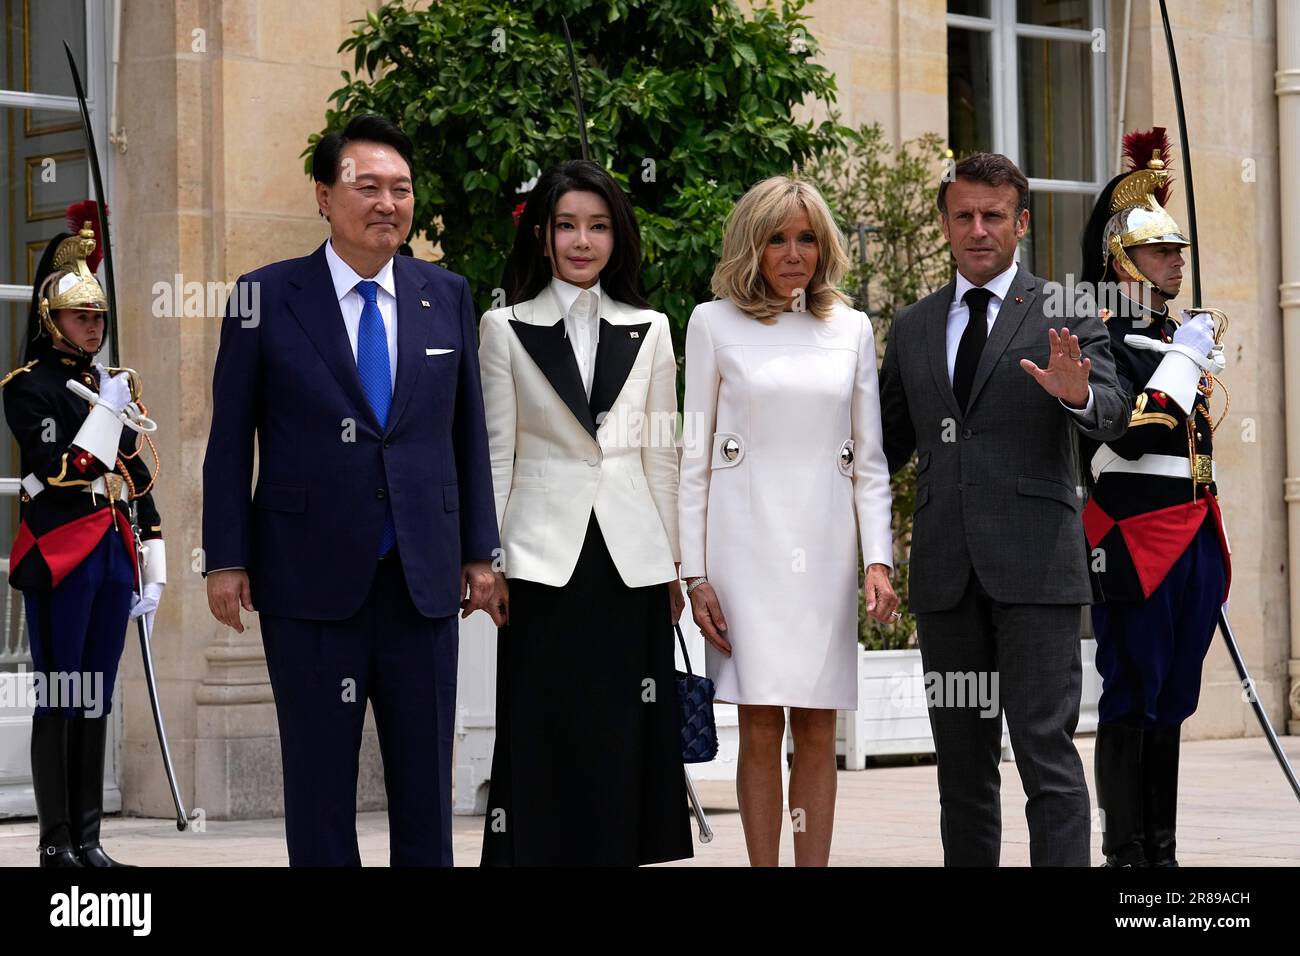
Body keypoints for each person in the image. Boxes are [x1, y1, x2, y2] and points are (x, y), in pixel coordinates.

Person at [201, 114, 501, 866]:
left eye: (400, 189)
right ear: (324, 197)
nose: (387, 203)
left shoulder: (447, 294)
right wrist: (224, 557)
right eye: (367, 186)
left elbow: (468, 435)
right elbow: (230, 439)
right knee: (319, 787)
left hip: (422, 582)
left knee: (425, 788)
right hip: (307, 582)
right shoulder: (264, 296)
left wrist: (480, 551)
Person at [878, 153, 1129, 866]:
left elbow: (1110, 414)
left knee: (1046, 758)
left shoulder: (1067, 309)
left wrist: (1075, 393)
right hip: (946, 577)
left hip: (1038, 575)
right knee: (961, 769)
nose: (978, 229)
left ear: (1021, 222)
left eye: (994, 216)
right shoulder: (915, 325)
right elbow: (883, 446)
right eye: (964, 216)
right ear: (945, 223)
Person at [476, 159, 691, 866]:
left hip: (631, 567)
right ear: (541, 235)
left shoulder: (653, 327)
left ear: (617, 237)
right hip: (541, 566)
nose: (581, 241)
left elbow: (663, 455)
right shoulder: (503, 328)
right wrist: (492, 561)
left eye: (598, 226)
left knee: (623, 739)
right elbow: (497, 454)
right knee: (543, 736)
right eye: (566, 225)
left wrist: (674, 568)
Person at [678, 176, 898, 867]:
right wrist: (694, 572)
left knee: (816, 723)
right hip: (743, 556)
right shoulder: (712, 323)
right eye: (777, 238)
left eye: (806, 237)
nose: (793, 252)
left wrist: (878, 560)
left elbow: (870, 459)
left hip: (825, 554)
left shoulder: (853, 328)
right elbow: (692, 458)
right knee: (758, 722)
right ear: (753, 244)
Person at [1078, 128, 1230, 867]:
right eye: (1160, 251)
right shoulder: (1102, 332)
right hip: (1134, 534)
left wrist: (1183, 349)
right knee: (1132, 692)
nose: (1176, 261)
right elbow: (1131, 436)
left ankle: (1162, 853)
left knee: (1173, 694)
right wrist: (1182, 364)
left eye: (1177, 252)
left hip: (1193, 530)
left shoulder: (1173, 333)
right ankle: (1126, 852)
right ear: (1121, 260)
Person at [3, 215, 164, 867]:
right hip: (60, 546)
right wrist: (106, 413)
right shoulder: (29, 388)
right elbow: (59, 469)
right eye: (80, 318)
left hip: (111, 549)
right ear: (51, 319)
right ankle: (54, 841)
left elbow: (140, 473)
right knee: (61, 695)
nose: (92, 329)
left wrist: (153, 559)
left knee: (95, 694)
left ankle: (90, 839)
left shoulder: (108, 385)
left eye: (98, 318)